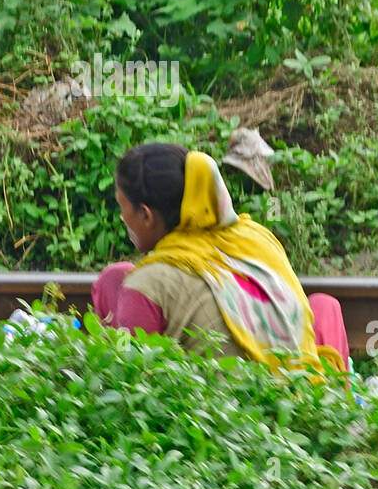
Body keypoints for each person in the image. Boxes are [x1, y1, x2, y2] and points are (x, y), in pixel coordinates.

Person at [92, 142, 349, 379]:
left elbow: (131, 380)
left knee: (116, 277)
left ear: (146, 216)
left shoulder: (147, 281)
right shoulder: (255, 237)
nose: (122, 218)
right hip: (299, 399)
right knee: (324, 305)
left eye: (122, 206)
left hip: (224, 419)